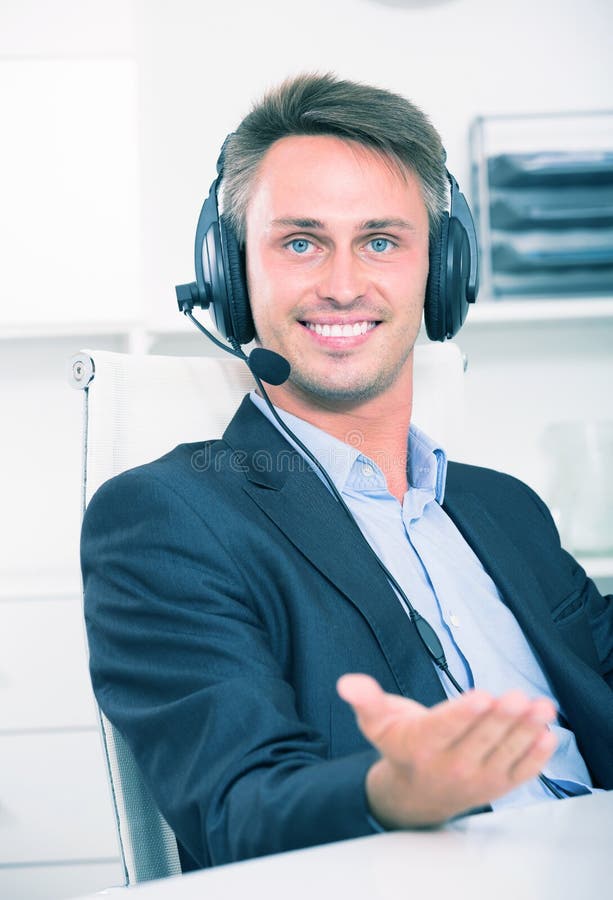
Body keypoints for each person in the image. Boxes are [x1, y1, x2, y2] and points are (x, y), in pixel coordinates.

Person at [81, 73, 613, 872]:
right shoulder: (164, 519)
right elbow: (237, 807)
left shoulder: (504, 508)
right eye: (299, 242)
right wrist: (395, 789)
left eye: (381, 240)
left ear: (441, 274)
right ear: (231, 277)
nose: (339, 283)